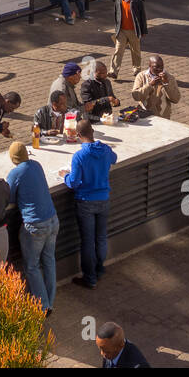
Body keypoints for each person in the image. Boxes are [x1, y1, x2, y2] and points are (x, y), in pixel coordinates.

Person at [58, 118, 116, 289]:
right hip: (103, 199)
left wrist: (64, 176)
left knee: (88, 241)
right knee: (101, 237)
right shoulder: (105, 149)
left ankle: (89, 278)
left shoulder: (79, 156)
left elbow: (74, 182)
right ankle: (99, 270)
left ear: (77, 135)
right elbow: (114, 158)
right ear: (93, 131)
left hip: (86, 202)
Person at [6, 141, 58, 313]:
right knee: (49, 260)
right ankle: (50, 300)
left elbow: (10, 199)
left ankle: (43, 306)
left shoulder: (15, 173)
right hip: (52, 219)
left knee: (32, 266)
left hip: (35, 226)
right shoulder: (36, 165)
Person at [110, 0, 146, 78]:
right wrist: (116, 28)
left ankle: (137, 69)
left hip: (133, 30)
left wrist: (143, 31)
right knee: (118, 50)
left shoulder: (137, 0)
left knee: (135, 51)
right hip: (122, 31)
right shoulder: (118, 0)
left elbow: (142, 16)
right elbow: (116, 15)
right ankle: (114, 71)